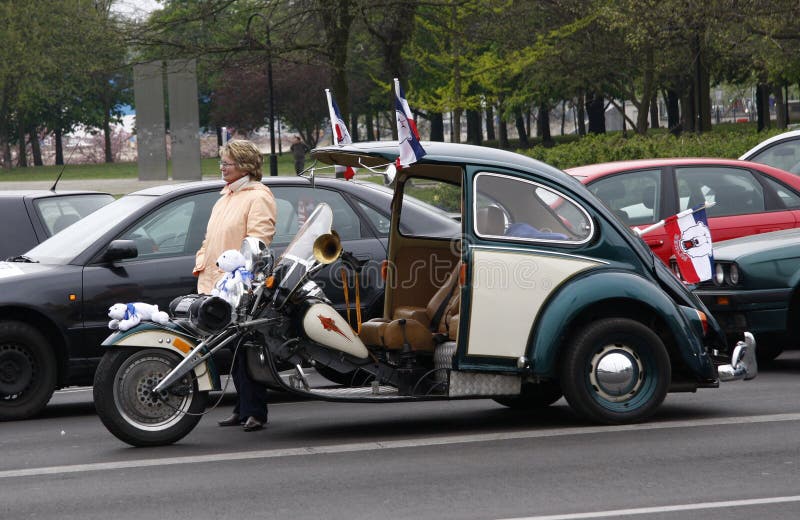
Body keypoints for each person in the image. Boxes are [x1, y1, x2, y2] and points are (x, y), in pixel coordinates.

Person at [194, 139, 277, 432]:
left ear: (245, 165)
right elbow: (209, 240)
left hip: (240, 287)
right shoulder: (225, 197)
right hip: (217, 283)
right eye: (222, 162)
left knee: (247, 347)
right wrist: (202, 264)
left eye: (227, 163)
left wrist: (240, 278)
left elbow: (258, 242)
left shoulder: (258, 196)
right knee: (235, 349)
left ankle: (255, 411)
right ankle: (242, 408)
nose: (222, 167)